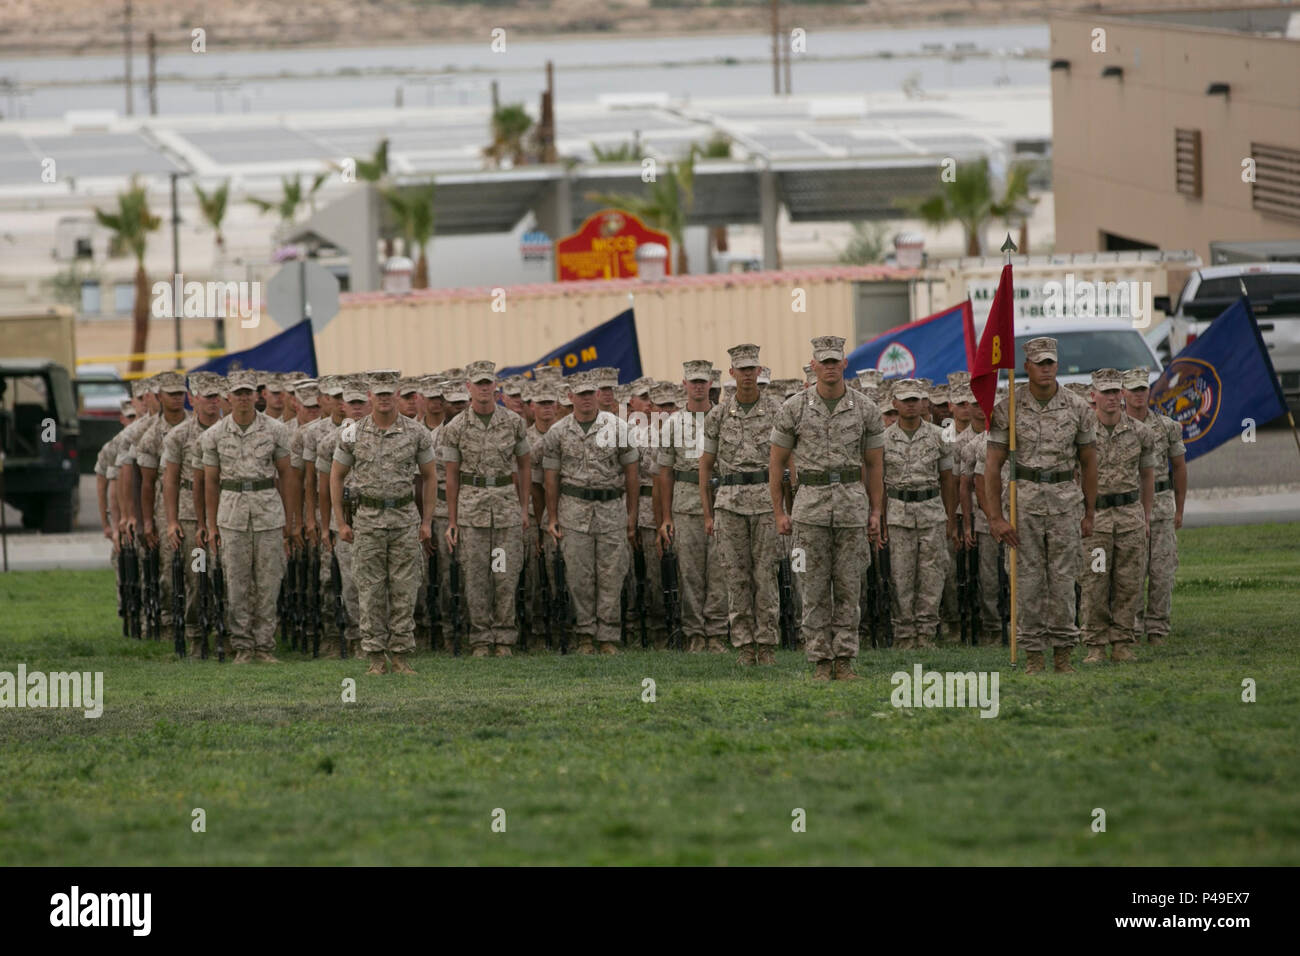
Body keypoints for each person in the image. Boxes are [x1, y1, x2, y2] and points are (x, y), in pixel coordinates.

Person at [770, 336, 885, 681]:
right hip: (809, 510)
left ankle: (845, 658)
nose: (831, 367)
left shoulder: (866, 409)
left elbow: (876, 465)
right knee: (813, 587)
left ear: (844, 364)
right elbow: (776, 464)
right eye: (825, 362)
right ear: (814, 366)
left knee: (849, 587)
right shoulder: (794, 408)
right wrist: (779, 512)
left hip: (851, 507)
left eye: (836, 361)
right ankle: (821, 659)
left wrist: (876, 512)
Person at [984, 337, 1098, 675]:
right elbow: (992, 465)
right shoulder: (1009, 408)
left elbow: (1090, 463)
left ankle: (1062, 654)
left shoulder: (1077, 408)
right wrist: (995, 517)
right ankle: (1033, 654)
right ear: (1027, 367)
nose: (1046, 369)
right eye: (1039, 363)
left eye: (1051, 362)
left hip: (1065, 503)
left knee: (1064, 581)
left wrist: (1090, 512)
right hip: (1025, 505)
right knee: (1027, 581)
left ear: (1056, 365)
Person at [332, 370, 437, 675]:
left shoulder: (416, 433)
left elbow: (430, 477)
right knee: (370, 590)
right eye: (379, 394)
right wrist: (341, 522)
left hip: (405, 519)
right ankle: (376, 657)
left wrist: (426, 521)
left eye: (389, 393)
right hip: (368, 521)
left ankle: (402, 655)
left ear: (397, 393)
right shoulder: (353, 434)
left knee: (405, 589)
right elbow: (336, 477)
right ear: (370, 396)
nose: (384, 399)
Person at [200, 369, 297, 664]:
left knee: (269, 581)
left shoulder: (276, 430)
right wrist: (211, 524)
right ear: (228, 398)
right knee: (237, 582)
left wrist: (290, 521)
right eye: (238, 394)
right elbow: (211, 483)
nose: (243, 399)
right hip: (232, 516)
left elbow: (286, 475)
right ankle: (243, 646)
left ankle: (265, 646)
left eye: (248, 393)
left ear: (257, 395)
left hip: (268, 512)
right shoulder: (213, 436)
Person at [543, 370, 639, 655]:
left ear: (598, 394)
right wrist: (553, 517)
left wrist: (631, 516)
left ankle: (608, 636)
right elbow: (551, 478)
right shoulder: (558, 432)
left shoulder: (618, 427)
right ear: (570, 397)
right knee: (579, 575)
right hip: (574, 512)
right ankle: (585, 634)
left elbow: (631, 473)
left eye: (590, 393)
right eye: (580, 394)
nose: (586, 399)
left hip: (611, 511)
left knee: (612, 574)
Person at [699, 343, 784, 665]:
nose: (747, 375)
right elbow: (705, 466)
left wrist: (783, 509)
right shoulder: (718, 415)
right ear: (731, 374)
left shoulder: (778, 411)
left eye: (752, 369)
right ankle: (745, 645)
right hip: (729, 504)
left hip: (765, 502)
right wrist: (708, 514)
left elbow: (789, 463)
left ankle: (766, 644)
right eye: (741, 369)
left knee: (766, 575)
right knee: (736, 577)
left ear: (759, 372)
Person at [440, 361, 532, 657]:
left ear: (496, 386)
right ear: (468, 387)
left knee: (504, 573)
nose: (483, 388)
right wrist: (452, 520)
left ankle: (504, 637)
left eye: (488, 383)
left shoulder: (514, 422)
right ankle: (481, 638)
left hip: (505, 506)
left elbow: (525, 466)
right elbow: (451, 476)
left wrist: (523, 508)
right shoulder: (455, 427)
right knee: (476, 575)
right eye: (477, 383)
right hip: (471, 507)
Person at [1079, 368, 1155, 663]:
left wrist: (1145, 517)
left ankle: (1122, 642)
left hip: (1129, 517)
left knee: (1129, 582)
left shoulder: (1140, 433)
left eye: (1115, 392)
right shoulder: (1083, 434)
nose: (1111, 398)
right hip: (1096, 519)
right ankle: (1095, 643)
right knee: (1095, 581)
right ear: (1093, 395)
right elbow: (1075, 475)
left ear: (1122, 394)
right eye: (1105, 392)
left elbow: (1147, 476)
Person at [881, 379, 958, 650]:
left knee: (932, 574)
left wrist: (949, 518)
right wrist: (879, 519)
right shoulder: (883, 439)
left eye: (916, 399)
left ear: (924, 402)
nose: (911, 404)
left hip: (931, 512)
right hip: (898, 514)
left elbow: (948, 480)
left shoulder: (940, 436)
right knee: (901, 576)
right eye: (905, 399)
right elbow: (879, 483)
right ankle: (904, 635)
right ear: (894, 403)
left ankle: (926, 634)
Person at [657, 360, 728, 653]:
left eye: (703, 381)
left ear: (711, 384)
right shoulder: (673, 423)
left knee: (719, 571)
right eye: (693, 381)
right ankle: (695, 633)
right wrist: (665, 518)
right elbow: (665, 472)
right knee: (689, 572)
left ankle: (716, 632)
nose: (698, 386)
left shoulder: (724, 418)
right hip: (685, 505)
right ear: (684, 384)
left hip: (720, 501)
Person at [1123, 366, 1186, 646]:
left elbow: (1179, 468)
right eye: (1133, 389)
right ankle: (1132, 628)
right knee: (1132, 571)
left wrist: (1180, 509)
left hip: (1161, 508)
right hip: (1128, 508)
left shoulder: (1167, 427)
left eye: (1143, 389)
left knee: (1162, 571)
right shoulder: (1116, 428)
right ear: (1123, 392)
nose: (1139, 395)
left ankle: (1158, 628)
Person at [162, 372, 223, 657]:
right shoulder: (179, 436)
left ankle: (231, 636)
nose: (213, 402)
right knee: (197, 579)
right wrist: (171, 521)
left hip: (226, 515)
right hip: (189, 520)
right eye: (207, 396)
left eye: (216, 396)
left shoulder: (228, 429)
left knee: (228, 579)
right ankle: (197, 636)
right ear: (193, 399)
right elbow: (170, 480)